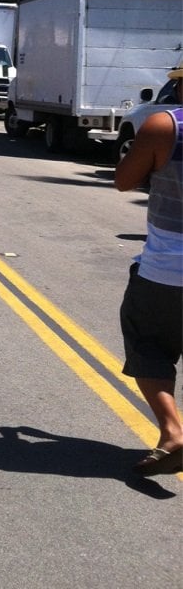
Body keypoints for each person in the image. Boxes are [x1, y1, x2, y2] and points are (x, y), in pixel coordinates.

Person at [114, 63, 183, 477]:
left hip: (166, 272)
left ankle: (173, 431)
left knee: (148, 344)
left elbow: (124, 180)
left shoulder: (163, 126)